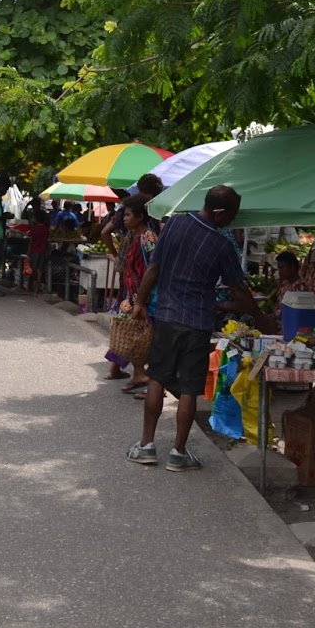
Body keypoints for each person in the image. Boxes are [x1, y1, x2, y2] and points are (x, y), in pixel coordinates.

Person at [128, 185, 259, 472]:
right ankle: (178, 452)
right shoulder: (221, 244)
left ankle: (146, 446)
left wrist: (139, 302)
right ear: (220, 212)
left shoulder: (174, 224)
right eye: (232, 215)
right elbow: (238, 288)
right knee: (189, 388)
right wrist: (258, 315)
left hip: (167, 316)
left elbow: (154, 269)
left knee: (157, 378)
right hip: (198, 322)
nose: (232, 222)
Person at [107, 197, 158, 387]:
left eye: (128, 215)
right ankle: (137, 374)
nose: (125, 219)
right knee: (132, 335)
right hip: (133, 297)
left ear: (140, 216)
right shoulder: (134, 236)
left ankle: (149, 381)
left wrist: (141, 301)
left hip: (145, 298)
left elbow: (154, 268)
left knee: (144, 336)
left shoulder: (148, 237)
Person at [24, 202, 50, 294]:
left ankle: (29, 288)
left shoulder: (34, 229)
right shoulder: (46, 229)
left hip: (34, 251)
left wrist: (28, 253)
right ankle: (36, 289)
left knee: (32, 270)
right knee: (39, 270)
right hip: (42, 251)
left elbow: (31, 242)